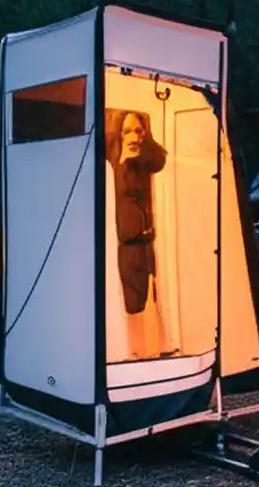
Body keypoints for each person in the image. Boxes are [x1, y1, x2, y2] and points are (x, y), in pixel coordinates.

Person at [105, 109, 168, 359]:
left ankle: (142, 353)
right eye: (127, 130)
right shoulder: (112, 161)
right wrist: (121, 161)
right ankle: (130, 352)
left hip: (141, 242)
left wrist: (140, 146)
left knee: (142, 300)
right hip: (120, 242)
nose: (133, 136)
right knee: (127, 302)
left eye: (138, 130)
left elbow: (159, 159)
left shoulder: (143, 160)